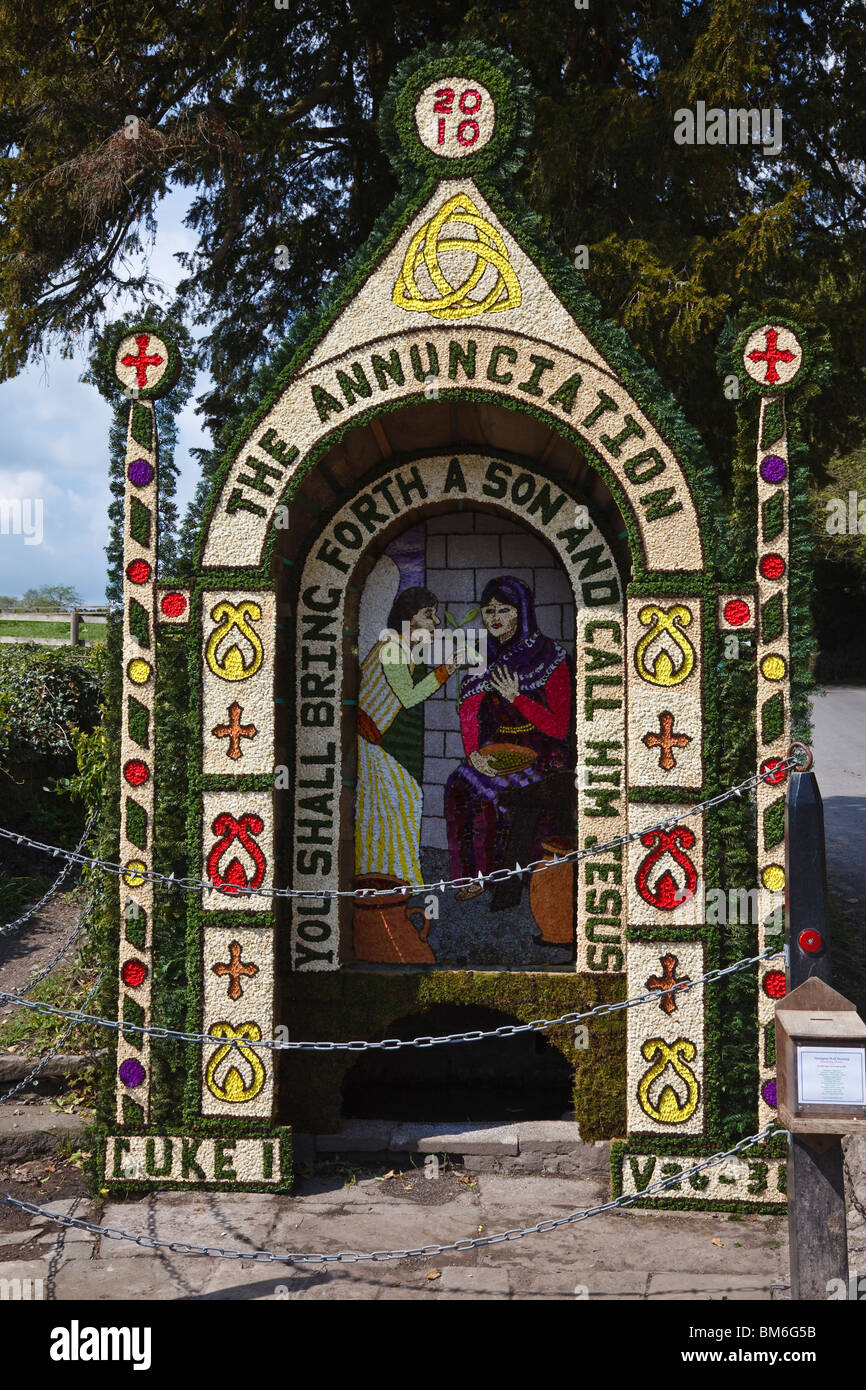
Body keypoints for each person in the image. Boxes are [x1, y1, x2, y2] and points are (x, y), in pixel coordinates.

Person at [444, 575, 572, 901]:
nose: (495, 618)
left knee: (493, 793)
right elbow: (469, 712)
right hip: (499, 748)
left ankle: (505, 878)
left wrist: (518, 699)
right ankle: (470, 876)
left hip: (545, 752)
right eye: (488, 611)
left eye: (504, 609)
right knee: (460, 784)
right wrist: (474, 755)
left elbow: (558, 727)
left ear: (522, 612)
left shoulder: (549, 657)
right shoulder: (482, 655)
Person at [355, 585, 458, 886]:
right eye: (429, 615)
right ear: (409, 619)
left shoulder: (402, 650)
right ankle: (390, 876)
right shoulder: (391, 647)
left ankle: (392, 875)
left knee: (398, 801)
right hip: (363, 743)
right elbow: (408, 696)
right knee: (401, 799)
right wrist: (443, 672)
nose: (436, 623)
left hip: (371, 741)